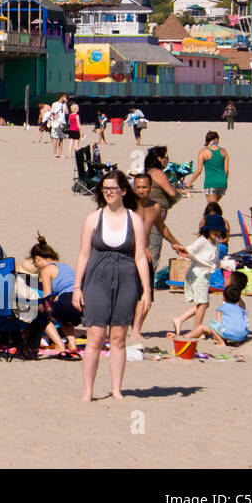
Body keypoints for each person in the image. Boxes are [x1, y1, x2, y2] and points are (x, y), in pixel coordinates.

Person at [72, 170, 150, 401]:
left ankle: (117, 390)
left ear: (123, 191)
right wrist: (77, 287)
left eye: (113, 189)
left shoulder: (134, 220)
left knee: (118, 338)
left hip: (126, 280)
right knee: (95, 337)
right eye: (105, 189)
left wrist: (146, 290)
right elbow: (84, 255)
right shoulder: (93, 219)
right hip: (97, 279)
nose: (108, 192)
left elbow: (140, 257)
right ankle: (88, 392)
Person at [168, 215, 226, 339]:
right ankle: (197, 330)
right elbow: (190, 250)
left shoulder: (215, 243)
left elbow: (214, 261)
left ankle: (180, 319)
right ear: (208, 230)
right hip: (198, 274)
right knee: (203, 303)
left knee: (204, 304)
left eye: (219, 231)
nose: (217, 233)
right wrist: (181, 249)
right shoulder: (202, 241)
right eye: (214, 230)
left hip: (205, 275)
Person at [29, 237, 80, 355]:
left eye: (35, 264)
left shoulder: (46, 270)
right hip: (84, 301)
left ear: (37, 259)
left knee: (42, 313)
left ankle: (60, 345)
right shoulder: (66, 267)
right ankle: (72, 344)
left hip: (69, 299)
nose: (38, 267)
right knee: (64, 318)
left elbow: (48, 298)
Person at [190, 131, 229, 200]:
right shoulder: (223, 151)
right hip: (222, 182)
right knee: (215, 206)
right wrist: (224, 180)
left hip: (211, 182)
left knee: (212, 207)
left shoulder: (203, 152)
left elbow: (199, 171)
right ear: (216, 139)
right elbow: (226, 171)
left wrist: (189, 183)